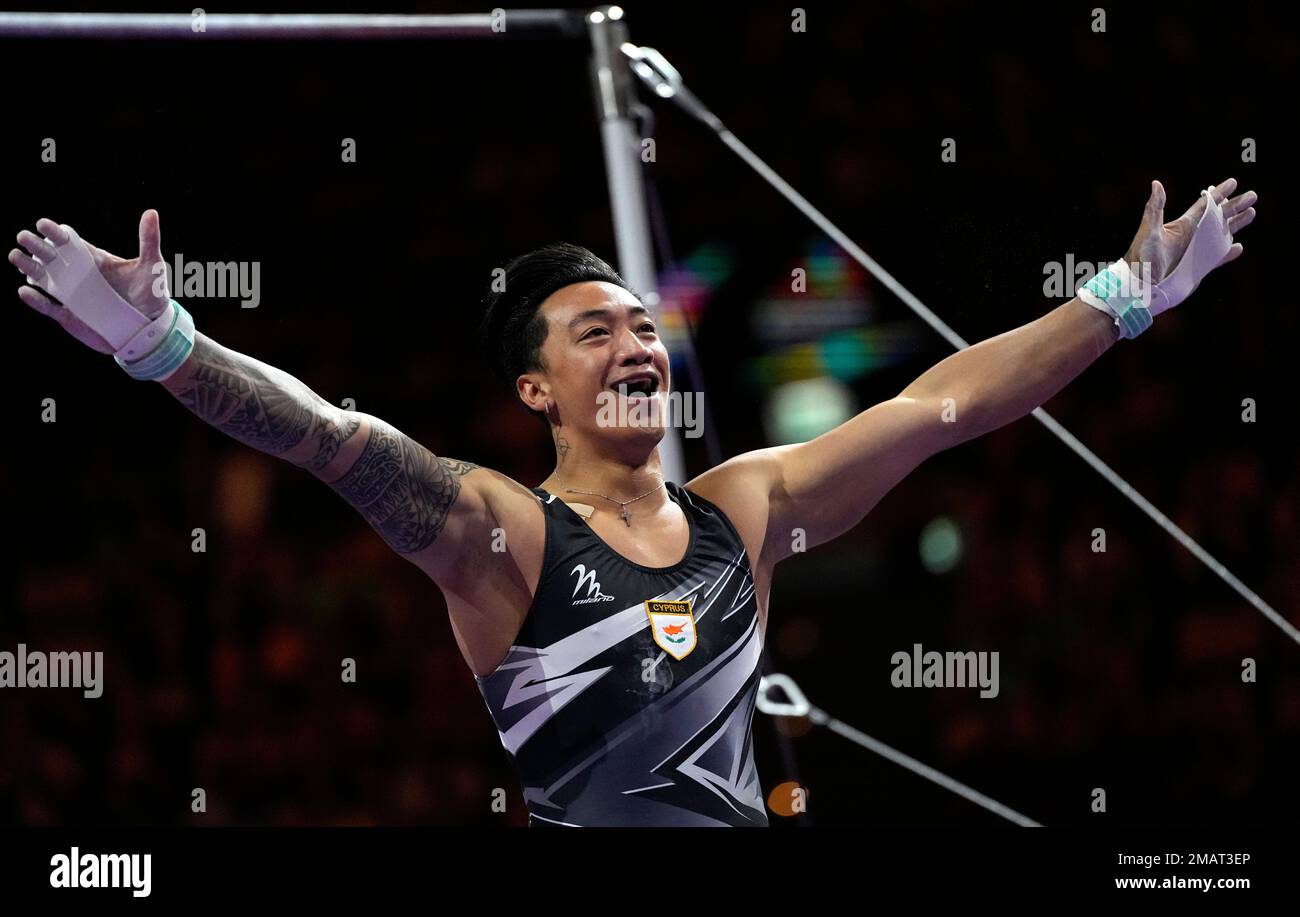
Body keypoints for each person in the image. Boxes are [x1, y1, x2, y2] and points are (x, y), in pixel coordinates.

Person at [9, 178, 1256, 825]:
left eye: (645, 326)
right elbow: (333, 440)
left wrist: (1123, 297)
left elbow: (949, 404)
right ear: (536, 388)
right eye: (594, 332)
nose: (636, 345)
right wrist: (165, 343)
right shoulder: (503, 534)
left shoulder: (745, 509)